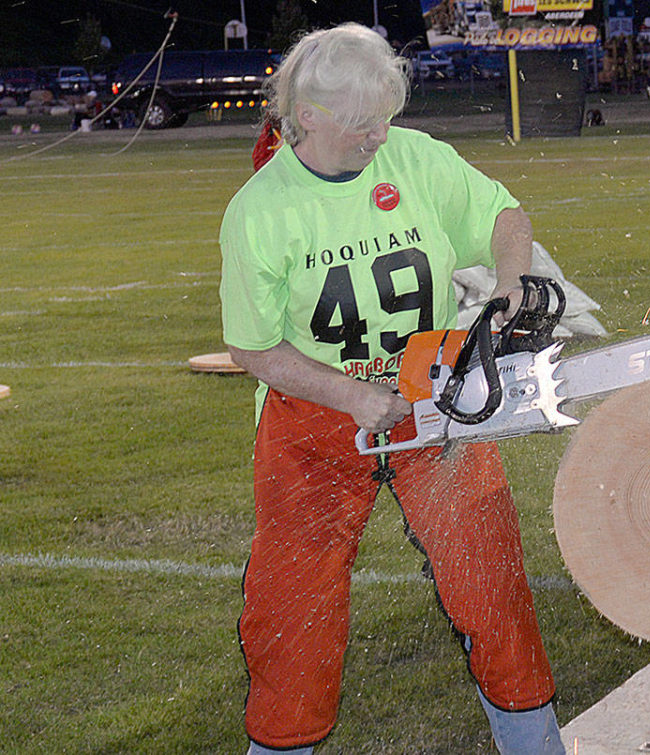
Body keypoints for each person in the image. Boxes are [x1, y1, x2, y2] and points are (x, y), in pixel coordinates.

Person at [218, 23, 564, 755]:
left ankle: (535, 743)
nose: (379, 137)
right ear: (308, 116)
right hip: (312, 426)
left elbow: (504, 214)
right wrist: (350, 395)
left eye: (385, 119)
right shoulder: (261, 209)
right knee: (293, 612)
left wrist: (509, 282)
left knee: (491, 585)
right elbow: (252, 347)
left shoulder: (415, 158)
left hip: (435, 407)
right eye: (361, 124)